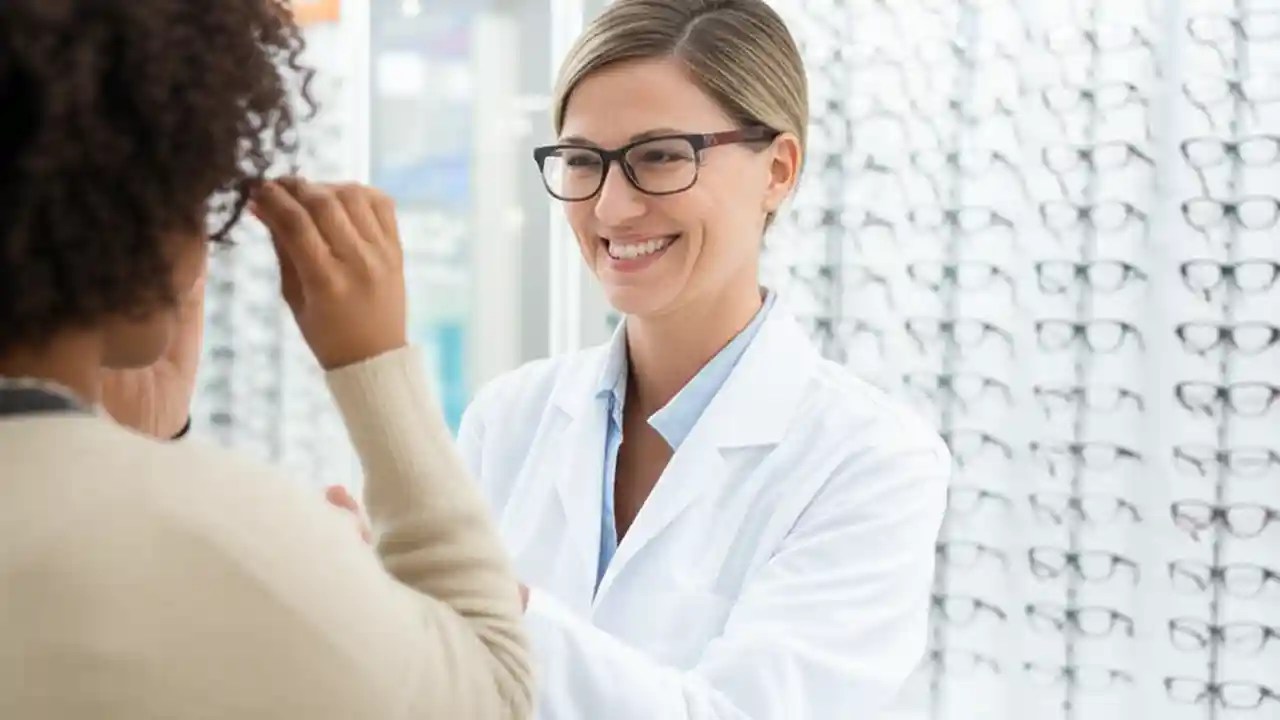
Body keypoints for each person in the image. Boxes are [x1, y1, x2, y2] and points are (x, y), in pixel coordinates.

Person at [0, 2, 532, 719]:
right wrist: (375, 361)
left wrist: (129, 449)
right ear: (145, 216)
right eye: (205, 197)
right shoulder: (238, 542)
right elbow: (492, 687)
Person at [458, 0, 951, 717]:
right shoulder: (507, 419)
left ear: (777, 170)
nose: (612, 208)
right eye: (583, 162)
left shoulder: (872, 461)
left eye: (660, 157)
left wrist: (492, 608)